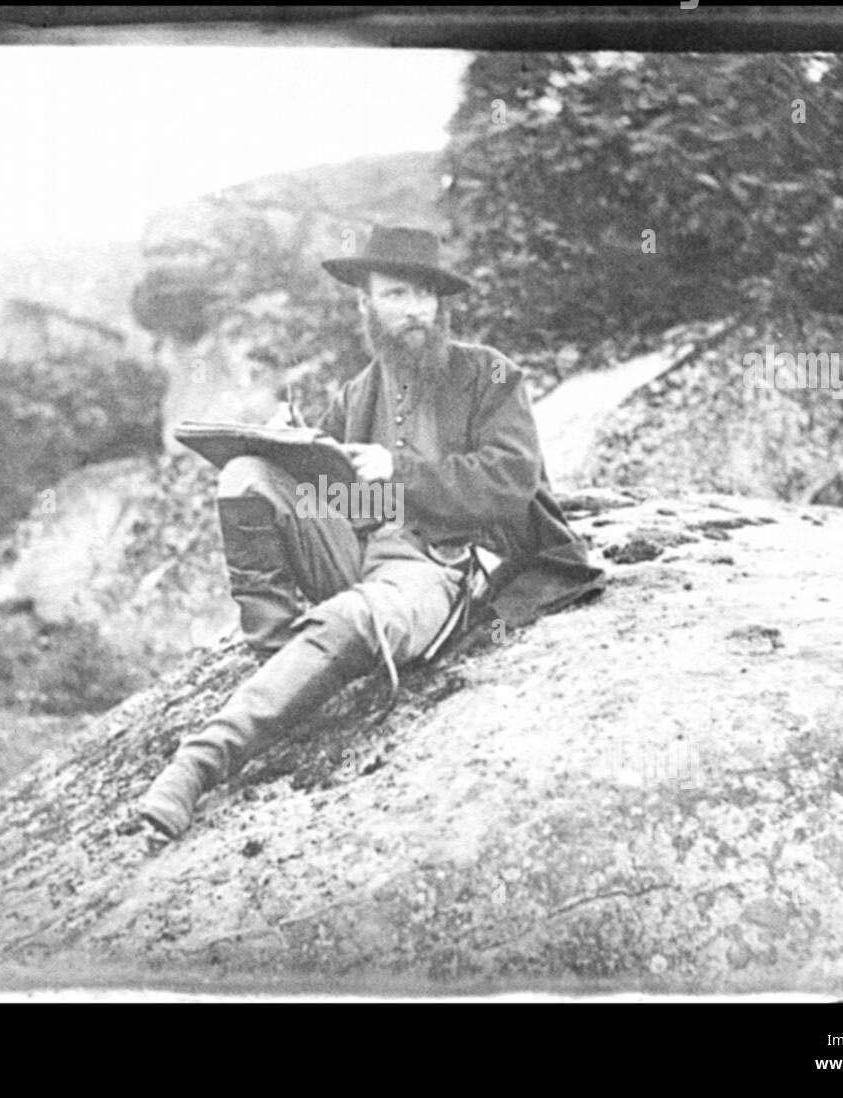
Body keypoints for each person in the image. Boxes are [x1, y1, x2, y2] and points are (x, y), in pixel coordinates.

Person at [137, 225, 599, 840]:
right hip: (354, 555)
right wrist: (295, 449)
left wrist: (399, 472)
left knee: (355, 616)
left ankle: (198, 763)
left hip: (436, 568)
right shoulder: (357, 395)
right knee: (247, 475)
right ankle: (277, 655)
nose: (416, 311)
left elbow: (511, 480)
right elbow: (340, 497)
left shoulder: (488, 375)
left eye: (426, 296)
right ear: (365, 303)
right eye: (397, 295)